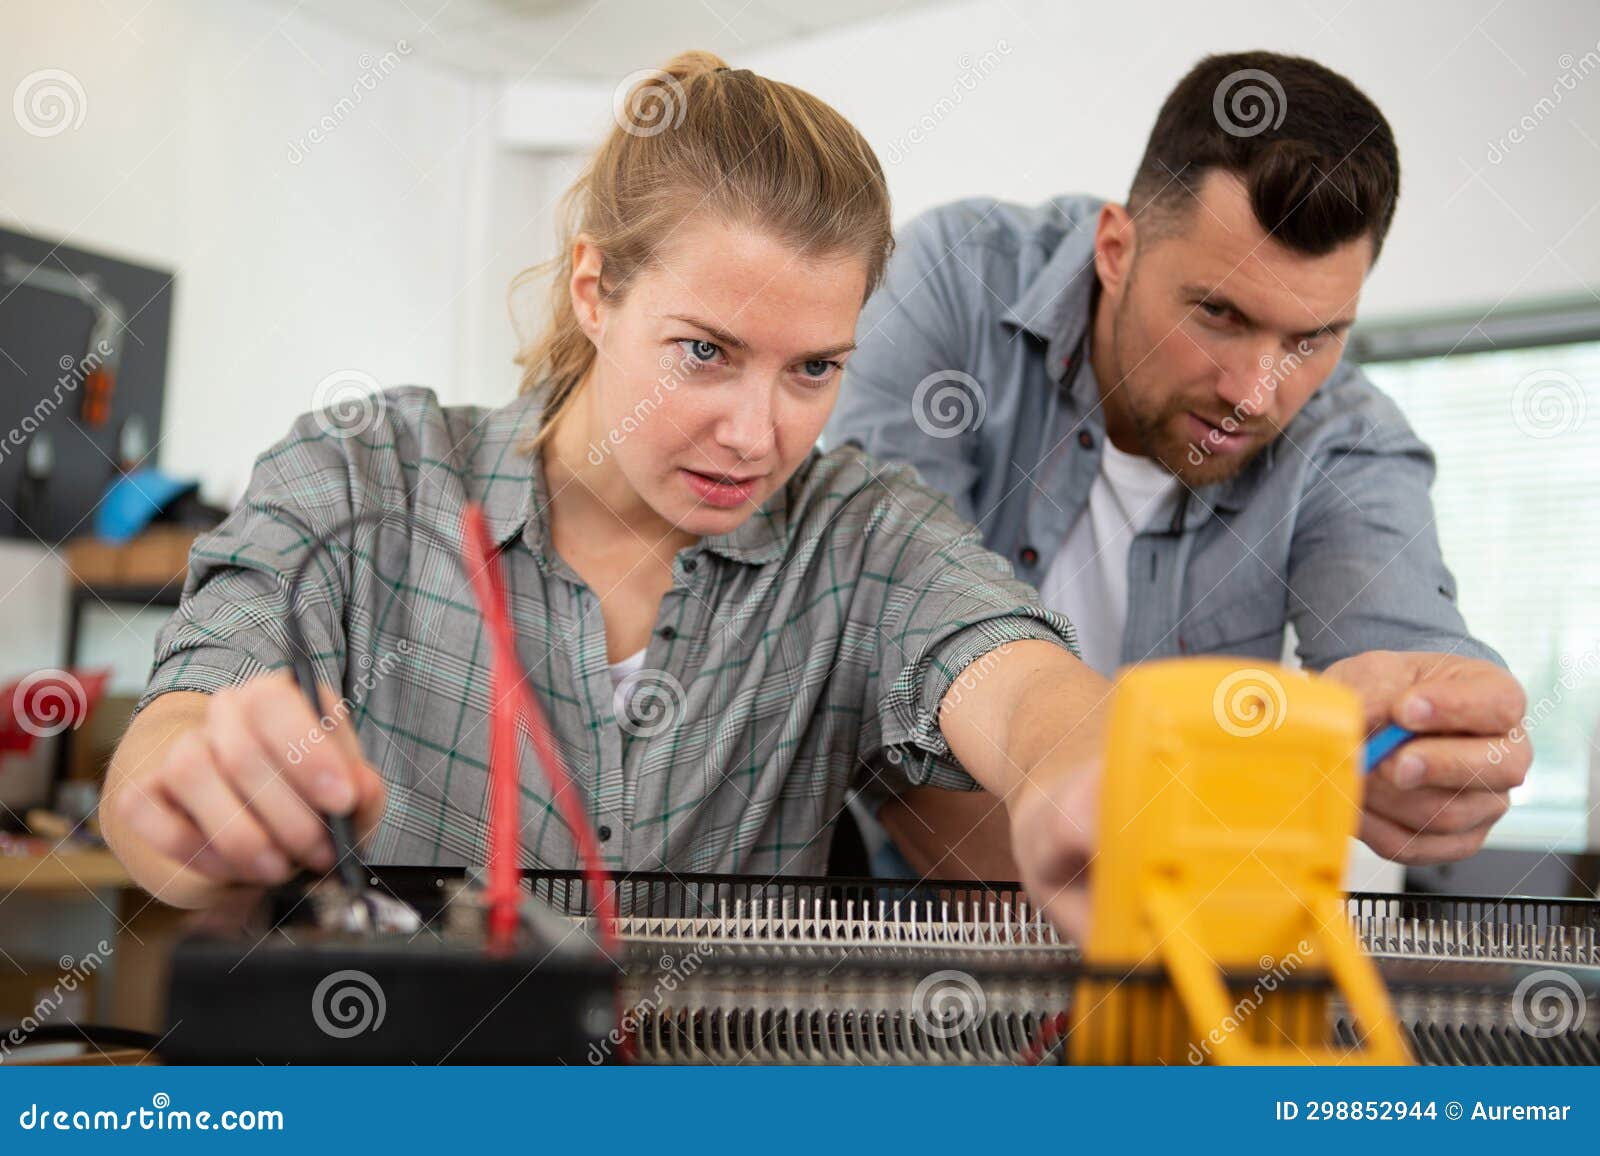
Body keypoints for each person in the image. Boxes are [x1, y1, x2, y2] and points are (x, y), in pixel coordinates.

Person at [100, 51, 1103, 937]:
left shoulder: (861, 535)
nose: (757, 435)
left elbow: (1011, 676)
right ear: (594, 290)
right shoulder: (362, 475)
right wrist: (199, 800)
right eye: (705, 351)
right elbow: (176, 731)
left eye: (813, 369)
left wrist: (1081, 768)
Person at [825, 51, 1529, 878]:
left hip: (1168, 921)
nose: (1254, 395)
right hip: (901, 906)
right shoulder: (953, 288)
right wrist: (1093, 918)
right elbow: (877, 631)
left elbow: (1412, 643)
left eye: (1311, 339)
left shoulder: (1351, 438)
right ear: (1116, 249)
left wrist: (1447, 732)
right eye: (1219, 313)